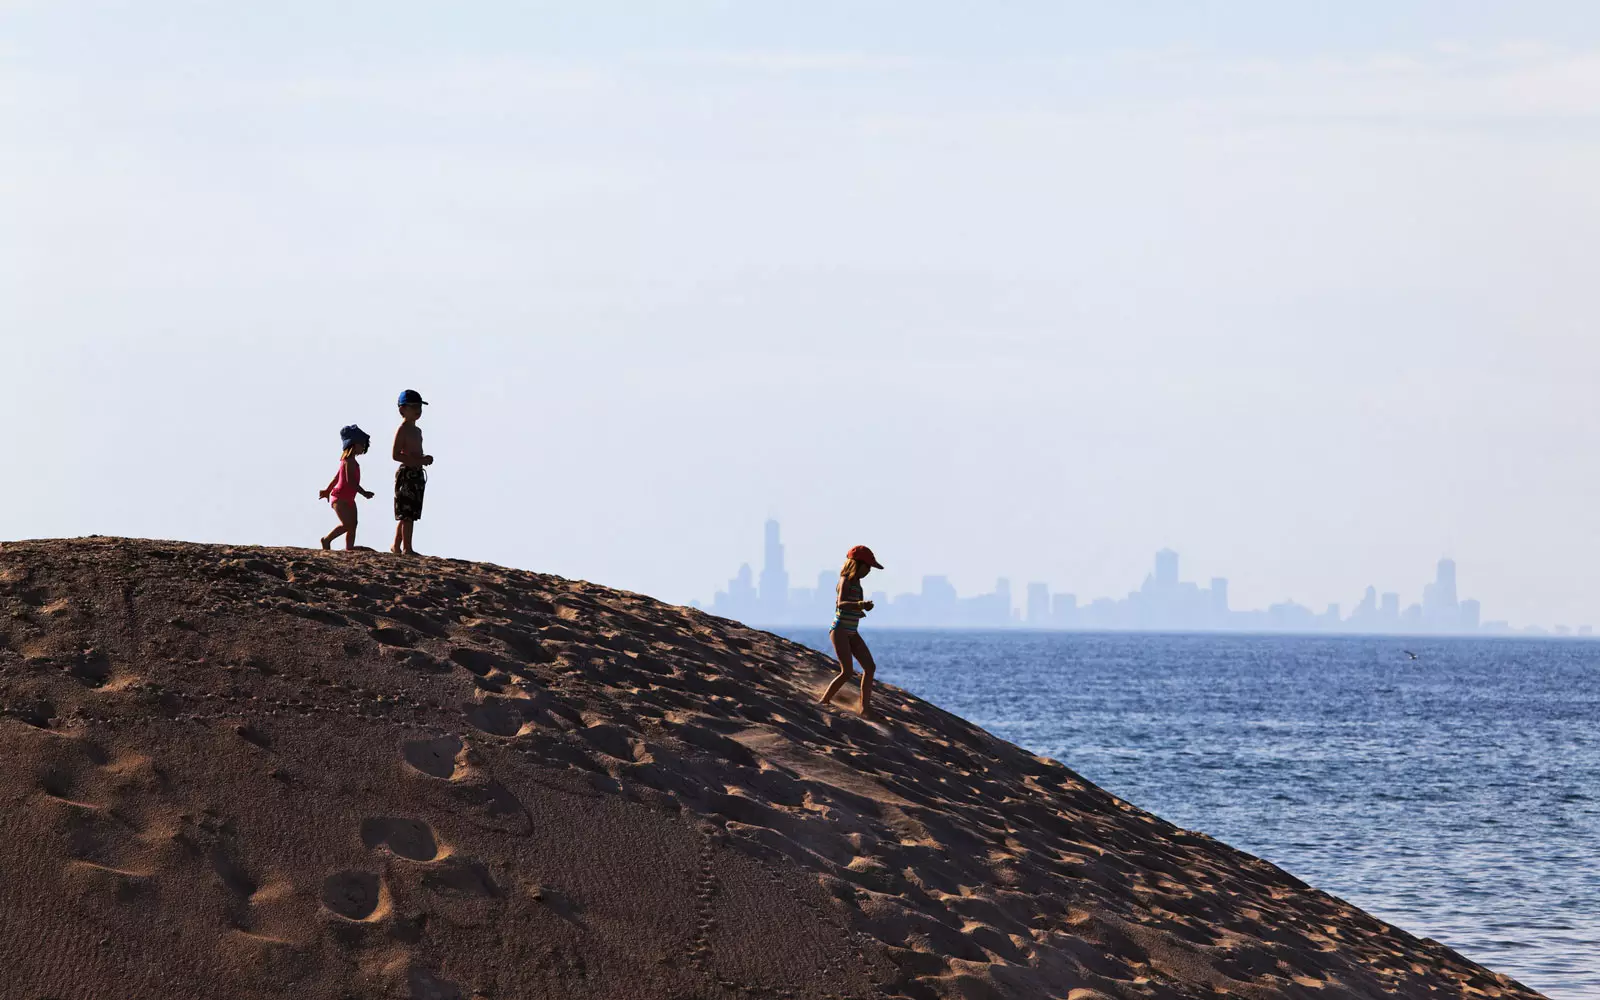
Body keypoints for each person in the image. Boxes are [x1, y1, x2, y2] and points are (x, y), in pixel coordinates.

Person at [819, 544, 884, 719]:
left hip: (852, 631)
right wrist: (859, 605)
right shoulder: (845, 581)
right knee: (847, 671)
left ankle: (865, 708)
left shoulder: (858, 585)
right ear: (857, 564)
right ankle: (824, 701)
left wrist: (864, 608)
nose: (869, 570)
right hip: (839, 630)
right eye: (868, 566)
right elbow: (840, 604)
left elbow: (855, 607)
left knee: (870, 668)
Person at [318, 425, 375, 550]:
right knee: (347, 524)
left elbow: (336, 478)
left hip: (349, 498)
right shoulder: (348, 462)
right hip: (339, 497)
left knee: (353, 524)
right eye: (362, 445)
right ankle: (327, 539)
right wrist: (364, 493)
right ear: (354, 445)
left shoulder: (352, 462)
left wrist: (327, 490)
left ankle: (349, 548)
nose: (363, 448)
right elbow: (350, 482)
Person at [391, 389, 433, 556]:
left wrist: (424, 459)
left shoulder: (417, 431)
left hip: (417, 474)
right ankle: (407, 548)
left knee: (410, 514)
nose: (417, 410)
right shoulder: (403, 429)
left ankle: (396, 545)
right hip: (406, 473)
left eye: (419, 407)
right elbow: (395, 455)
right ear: (402, 409)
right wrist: (417, 461)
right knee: (406, 514)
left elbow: (416, 453)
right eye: (413, 407)